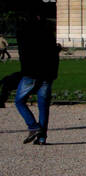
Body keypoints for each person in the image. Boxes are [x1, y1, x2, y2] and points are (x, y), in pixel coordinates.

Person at [13, 11, 59, 145]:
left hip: (31, 73)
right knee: (43, 106)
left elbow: (24, 53)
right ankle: (42, 138)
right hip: (47, 74)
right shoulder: (48, 32)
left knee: (19, 101)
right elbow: (54, 55)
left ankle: (33, 126)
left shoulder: (24, 30)